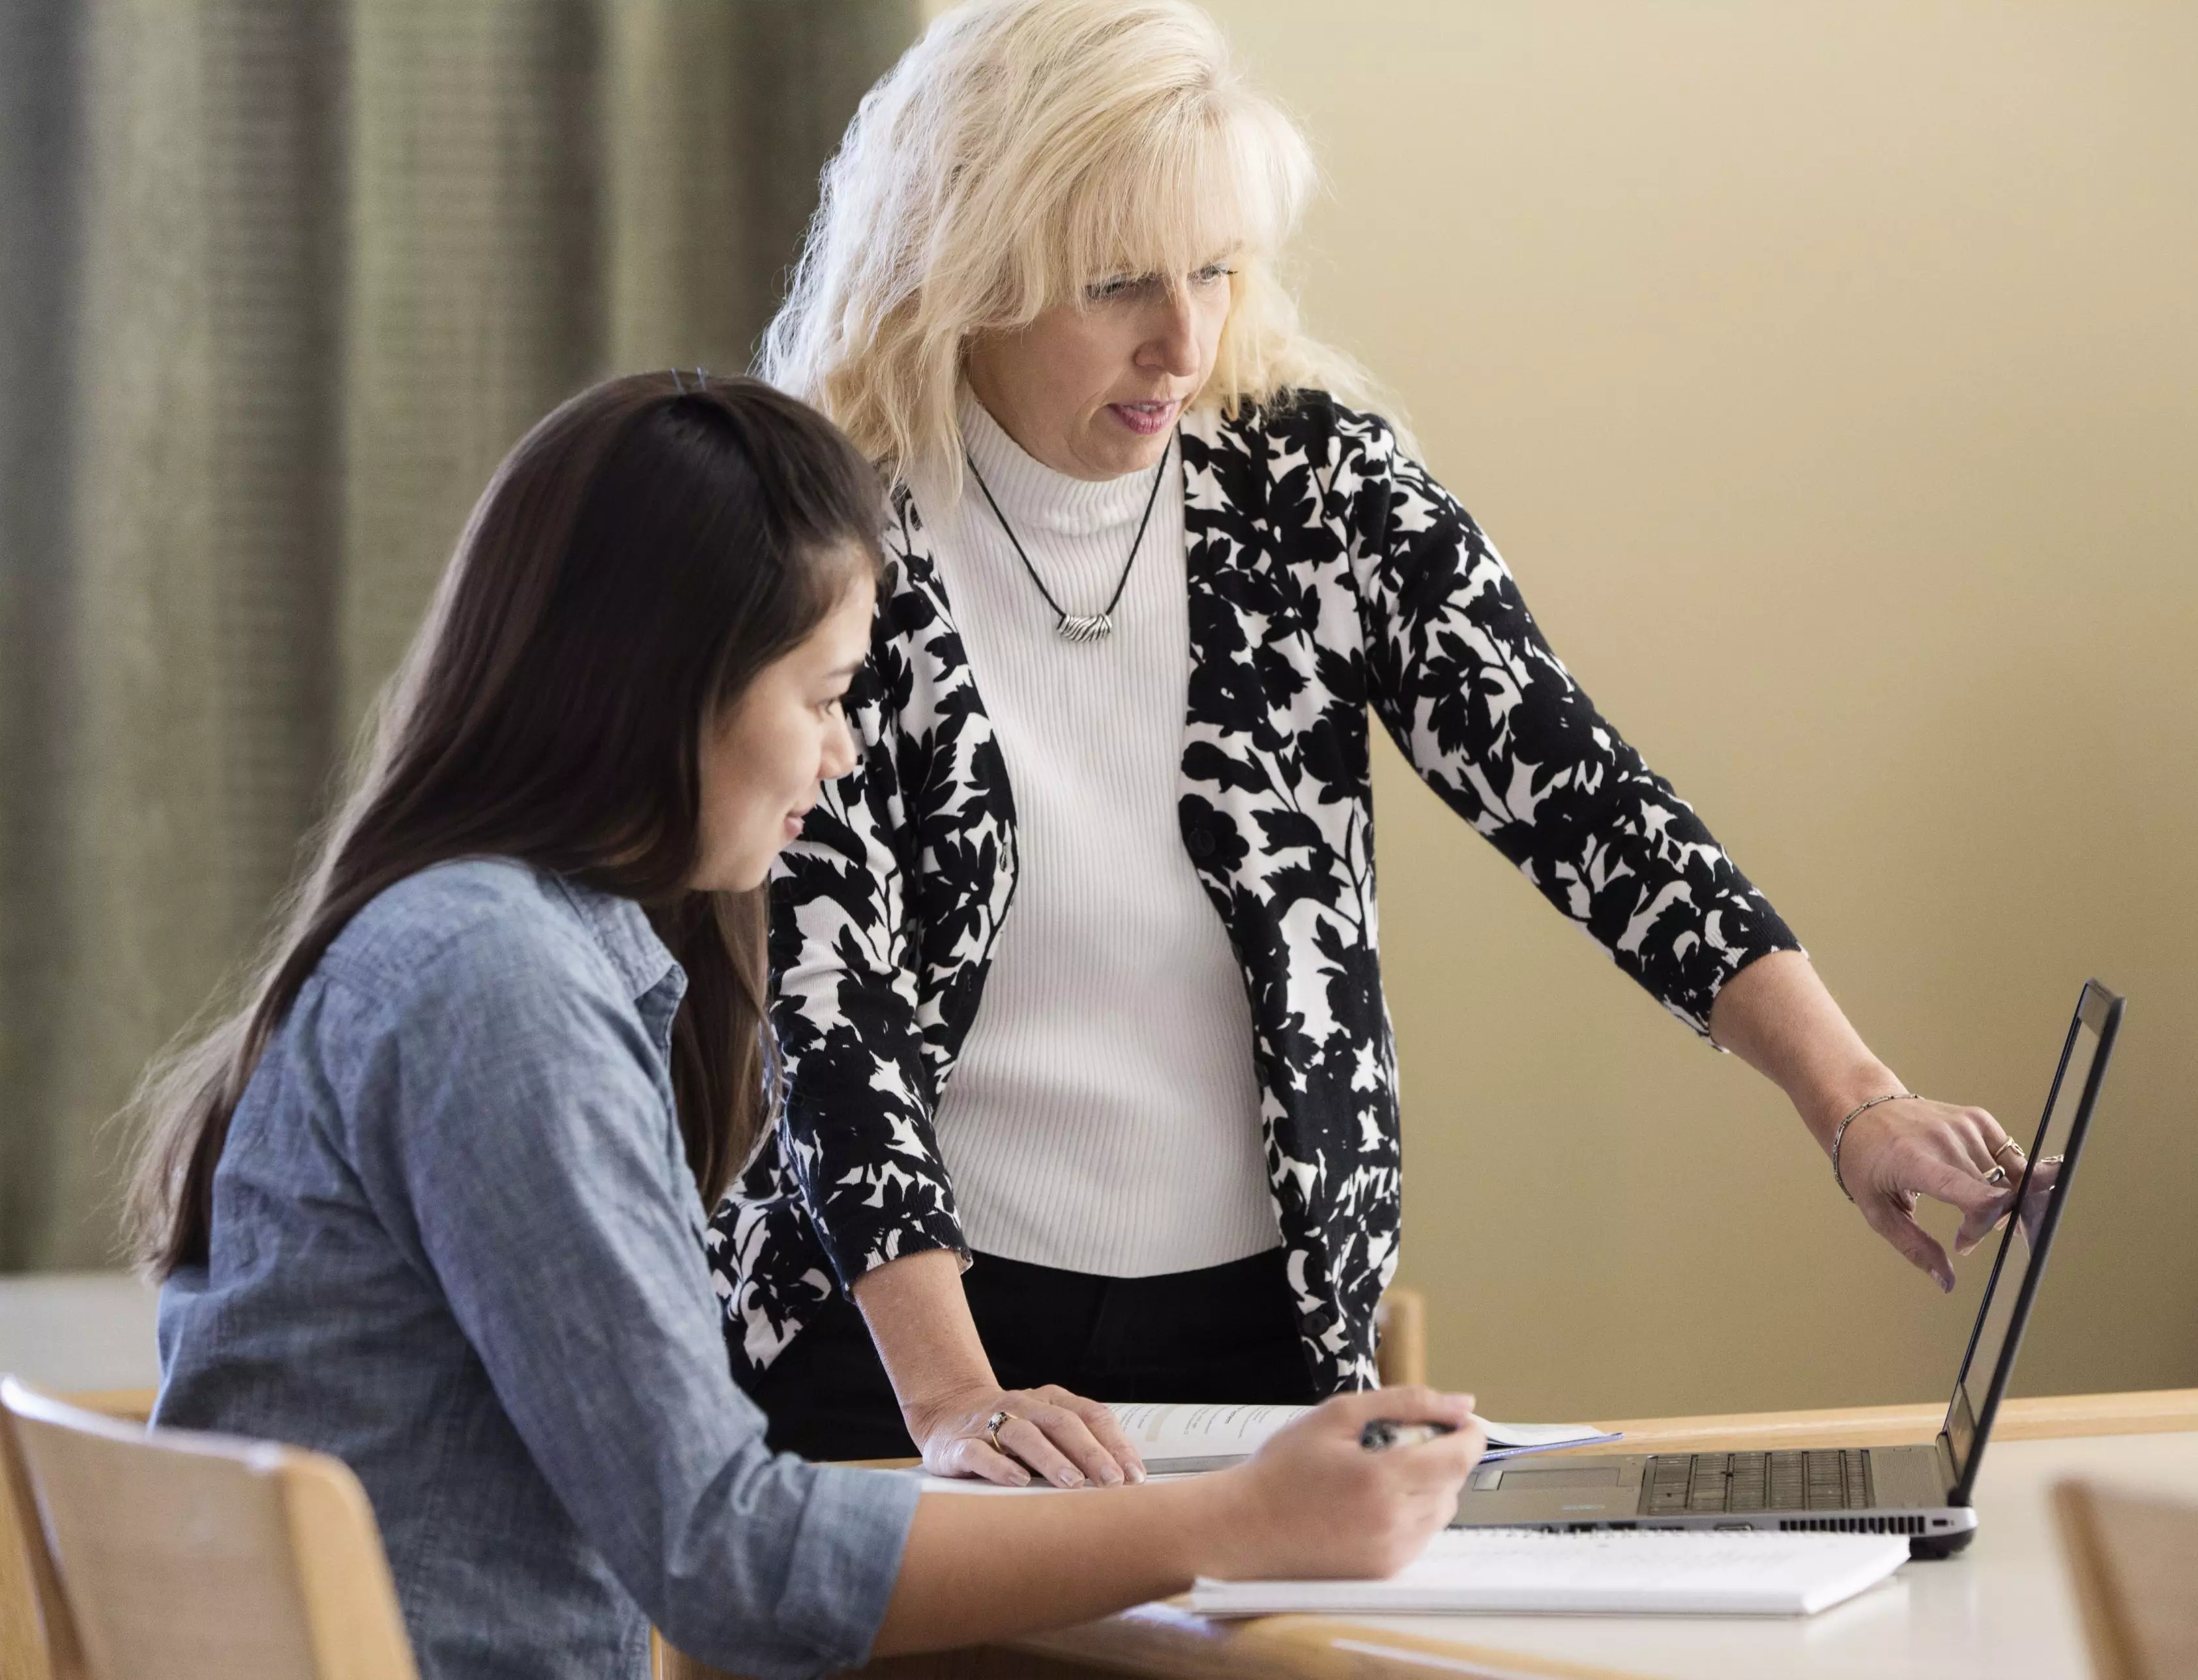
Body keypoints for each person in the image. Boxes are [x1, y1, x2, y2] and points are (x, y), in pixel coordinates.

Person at [711, 0, 2035, 1488]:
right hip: (891, 1351)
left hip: (1256, 1346)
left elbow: (1584, 799)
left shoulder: (1319, 486)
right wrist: (956, 1399)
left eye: (1216, 268)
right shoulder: (831, 531)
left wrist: (1851, 1098)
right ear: (969, 268)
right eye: (1117, 284)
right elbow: (837, 999)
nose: (1185, 336)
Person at [125, 372, 1484, 1680]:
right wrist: (1232, 1523)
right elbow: (726, 1555)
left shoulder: (463, 944)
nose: (842, 754)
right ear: (669, 686)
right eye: (826, 696)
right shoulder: (497, 991)